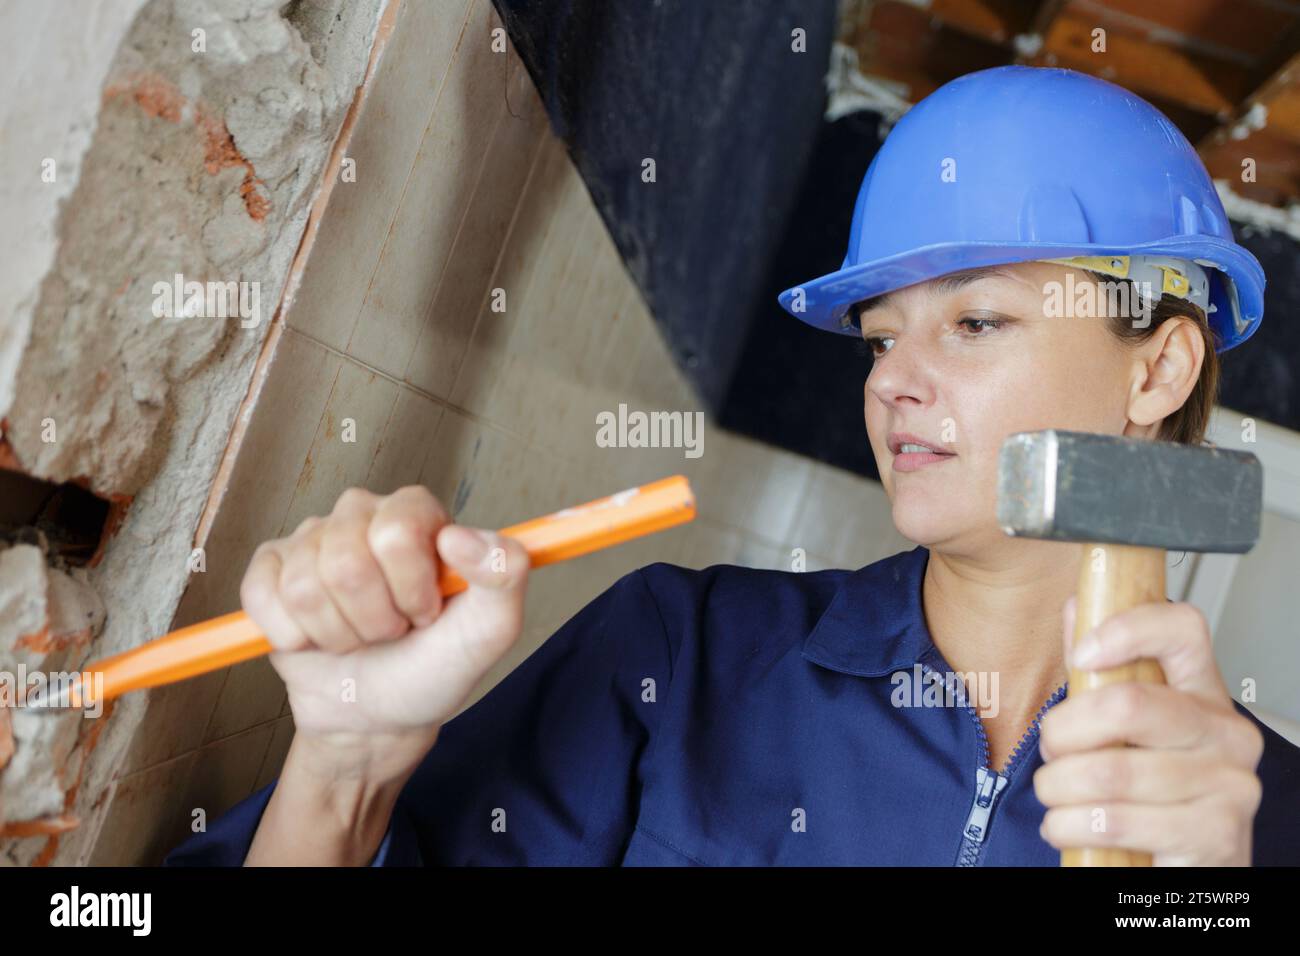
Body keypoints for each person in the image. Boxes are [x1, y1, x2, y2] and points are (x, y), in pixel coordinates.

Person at [165, 65, 1299, 866]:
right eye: (880, 333)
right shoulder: (681, 652)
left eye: (976, 321)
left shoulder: (1264, 812)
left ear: (1158, 371)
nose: (892, 378)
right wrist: (343, 773)